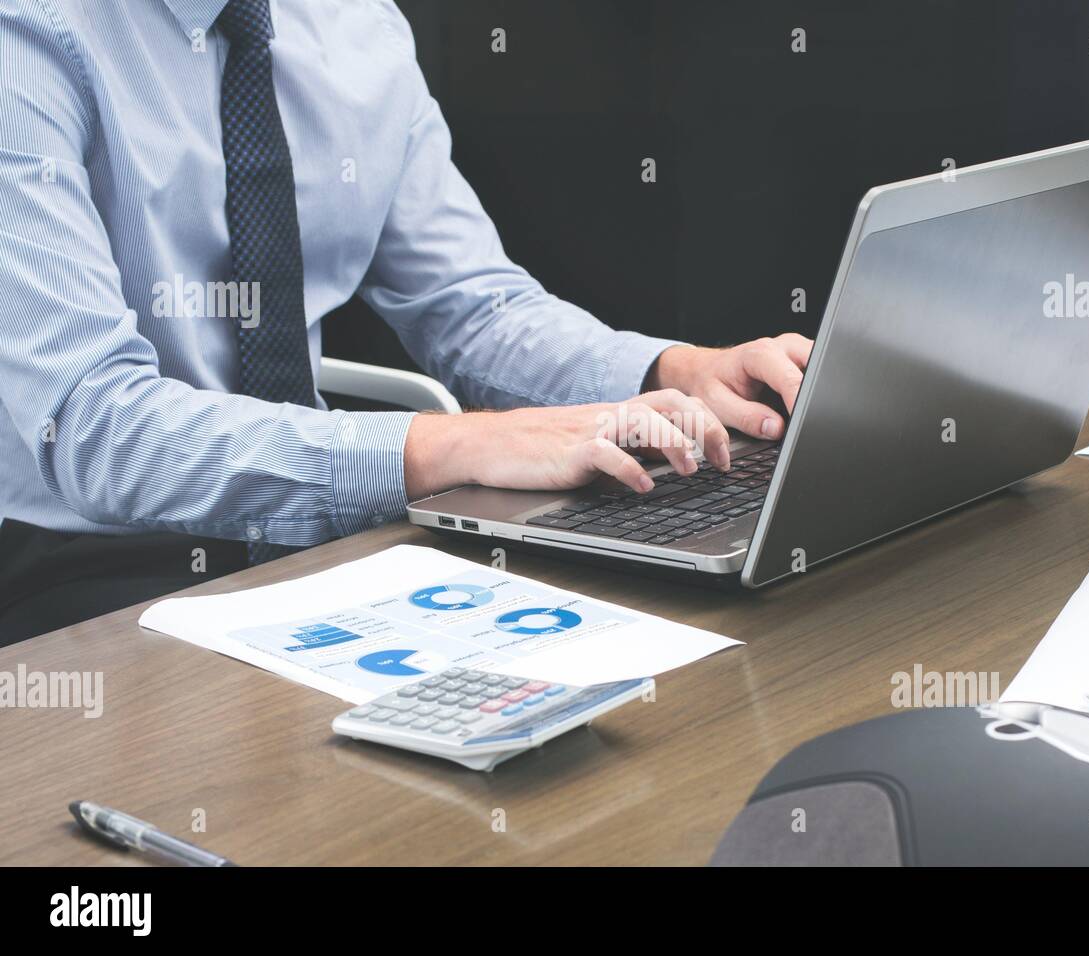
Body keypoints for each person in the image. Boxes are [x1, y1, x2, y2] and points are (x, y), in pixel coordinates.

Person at [0, 0, 811, 643]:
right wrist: (451, 445)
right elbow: (93, 427)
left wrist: (668, 370)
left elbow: (473, 309)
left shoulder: (357, 26)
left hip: (323, 537)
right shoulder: (30, 34)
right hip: (98, 559)